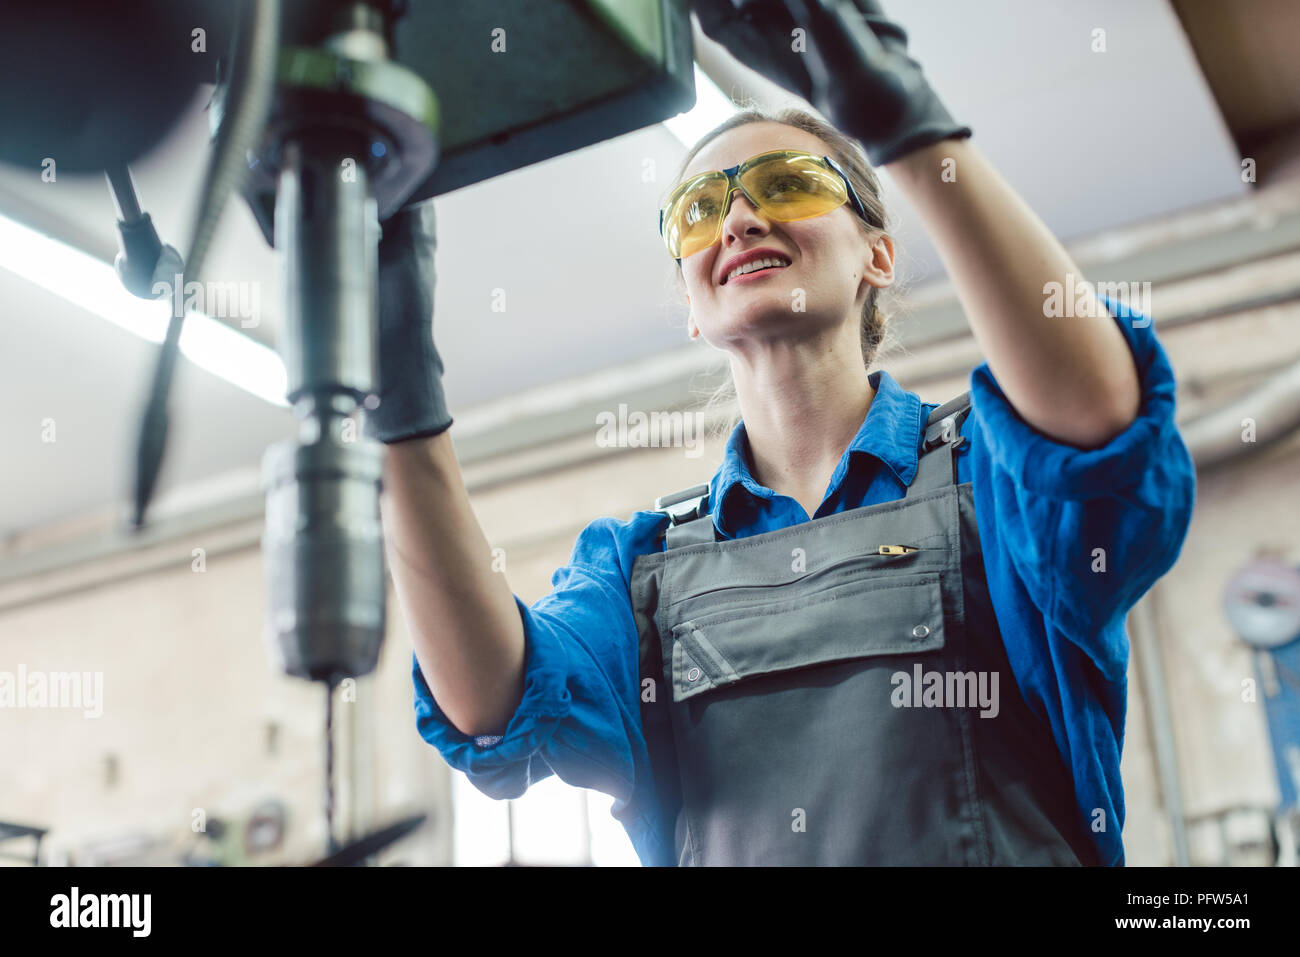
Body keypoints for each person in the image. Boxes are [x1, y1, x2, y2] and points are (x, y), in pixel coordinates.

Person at [371, 0, 1196, 865]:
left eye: (788, 185)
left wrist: (910, 130)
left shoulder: (990, 481)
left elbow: (1101, 434)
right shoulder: (640, 570)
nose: (738, 221)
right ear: (691, 305)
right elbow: (491, 706)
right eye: (699, 209)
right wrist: (399, 409)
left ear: (877, 254)